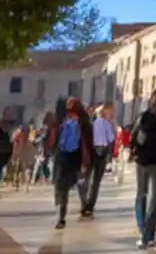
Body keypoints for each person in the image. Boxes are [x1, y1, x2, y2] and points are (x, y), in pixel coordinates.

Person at [132, 88, 156, 250]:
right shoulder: (144, 117)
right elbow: (134, 136)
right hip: (142, 162)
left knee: (155, 200)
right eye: (155, 102)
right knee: (142, 195)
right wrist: (134, 150)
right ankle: (144, 232)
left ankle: (149, 235)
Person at [53, 98, 95, 228]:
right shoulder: (84, 120)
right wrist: (89, 161)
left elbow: (56, 140)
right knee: (81, 184)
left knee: (63, 188)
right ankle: (84, 206)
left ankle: (61, 217)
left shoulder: (62, 119)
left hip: (62, 158)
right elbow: (89, 142)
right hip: (77, 159)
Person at [78, 102, 117, 217]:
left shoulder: (92, 123)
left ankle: (84, 202)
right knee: (96, 182)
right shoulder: (106, 124)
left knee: (86, 178)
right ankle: (90, 206)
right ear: (105, 113)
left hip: (91, 151)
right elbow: (111, 139)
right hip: (102, 152)